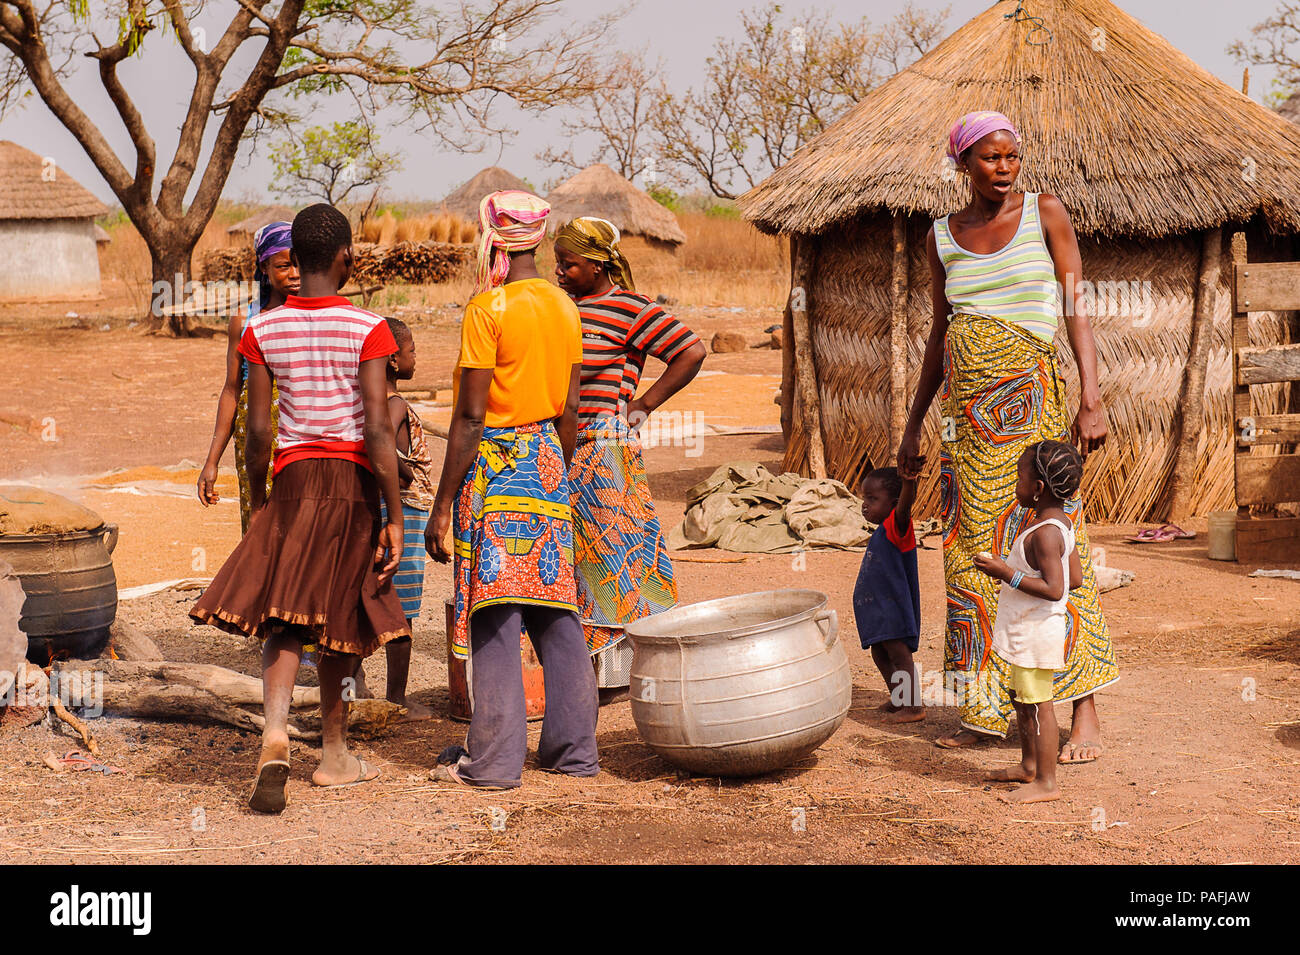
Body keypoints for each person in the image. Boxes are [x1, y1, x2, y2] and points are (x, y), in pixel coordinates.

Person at [897, 110, 1118, 760]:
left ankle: (1085, 709)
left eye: (1011, 156)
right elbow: (940, 334)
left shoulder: (1044, 212)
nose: (1004, 167)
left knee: (1051, 549)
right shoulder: (942, 235)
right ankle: (987, 705)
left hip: (1035, 420)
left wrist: (1092, 396)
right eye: (990, 158)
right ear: (962, 164)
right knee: (970, 557)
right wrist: (914, 424)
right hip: (967, 427)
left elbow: (1076, 306)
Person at [190, 204, 408, 813]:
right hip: (350, 482)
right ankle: (335, 758)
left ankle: (276, 733)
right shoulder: (369, 328)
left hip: (290, 480)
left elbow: (256, 429)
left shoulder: (262, 330)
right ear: (346, 259)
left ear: (297, 260)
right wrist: (393, 513)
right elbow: (377, 429)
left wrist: (261, 498)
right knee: (337, 617)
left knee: (285, 616)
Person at [425, 190, 598, 790]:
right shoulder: (564, 306)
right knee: (556, 611)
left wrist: (442, 503)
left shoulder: (487, 309)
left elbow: (471, 418)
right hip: (549, 461)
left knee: (494, 612)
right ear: (540, 239)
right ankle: (573, 753)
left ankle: (495, 762)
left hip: (497, 468)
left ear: (491, 236)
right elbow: (571, 404)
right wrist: (558, 467)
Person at [553, 217, 706, 655]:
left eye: (570, 264)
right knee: (575, 548)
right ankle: (583, 655)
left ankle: (620, 658)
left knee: (612, 550)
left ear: (598, 265)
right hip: (560, 443)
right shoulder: (562, 307)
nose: (560, 271)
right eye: (558, 263)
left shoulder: (630, 309)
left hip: (604, 447)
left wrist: (642, 405)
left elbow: (691, 351)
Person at [973, 441, 1087, 804]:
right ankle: (1029, 766)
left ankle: (1047, 782)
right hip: (1026, 630)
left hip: (1037, 633)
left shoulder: (1045, 533)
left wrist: (1007, 573)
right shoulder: (1059, 525)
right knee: (1022, 699)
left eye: (1020, 478)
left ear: (1038, 488)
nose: (1016, 485)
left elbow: (1056, 589)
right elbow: (1076, 578)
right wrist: (1018, 574)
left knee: (1039, 704)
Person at [352, 317, 434, 719]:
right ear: (392, 360)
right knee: (403, 606)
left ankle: (356, 685)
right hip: (407, 510)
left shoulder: (368, 405)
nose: (415, 355)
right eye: (412, 349)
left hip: (382, 508)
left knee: (369, 598)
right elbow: (381, 448)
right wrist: (405, 471)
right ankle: (398, 699)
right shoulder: (395, 405)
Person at [197, 221, 298, 531]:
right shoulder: (245, 319)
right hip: (254, 441)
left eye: (299, 264)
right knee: (259, 530)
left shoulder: (311, 315)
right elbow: (231, 390)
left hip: (301, 437)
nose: (294, 273)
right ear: (264, 267)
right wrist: (211, 461)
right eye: (283, 265)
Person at [853, 465, 925, 724]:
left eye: (873, 499)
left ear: (894, 504)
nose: (865, 505)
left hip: (894, 608)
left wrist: (909, 483)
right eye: (864, 498)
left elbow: (905, 505)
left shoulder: (898, 525)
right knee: (880, 653)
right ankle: (900, 697)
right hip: (880, 610)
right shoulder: (883, 529)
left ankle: (914, 705)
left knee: (899, 654)